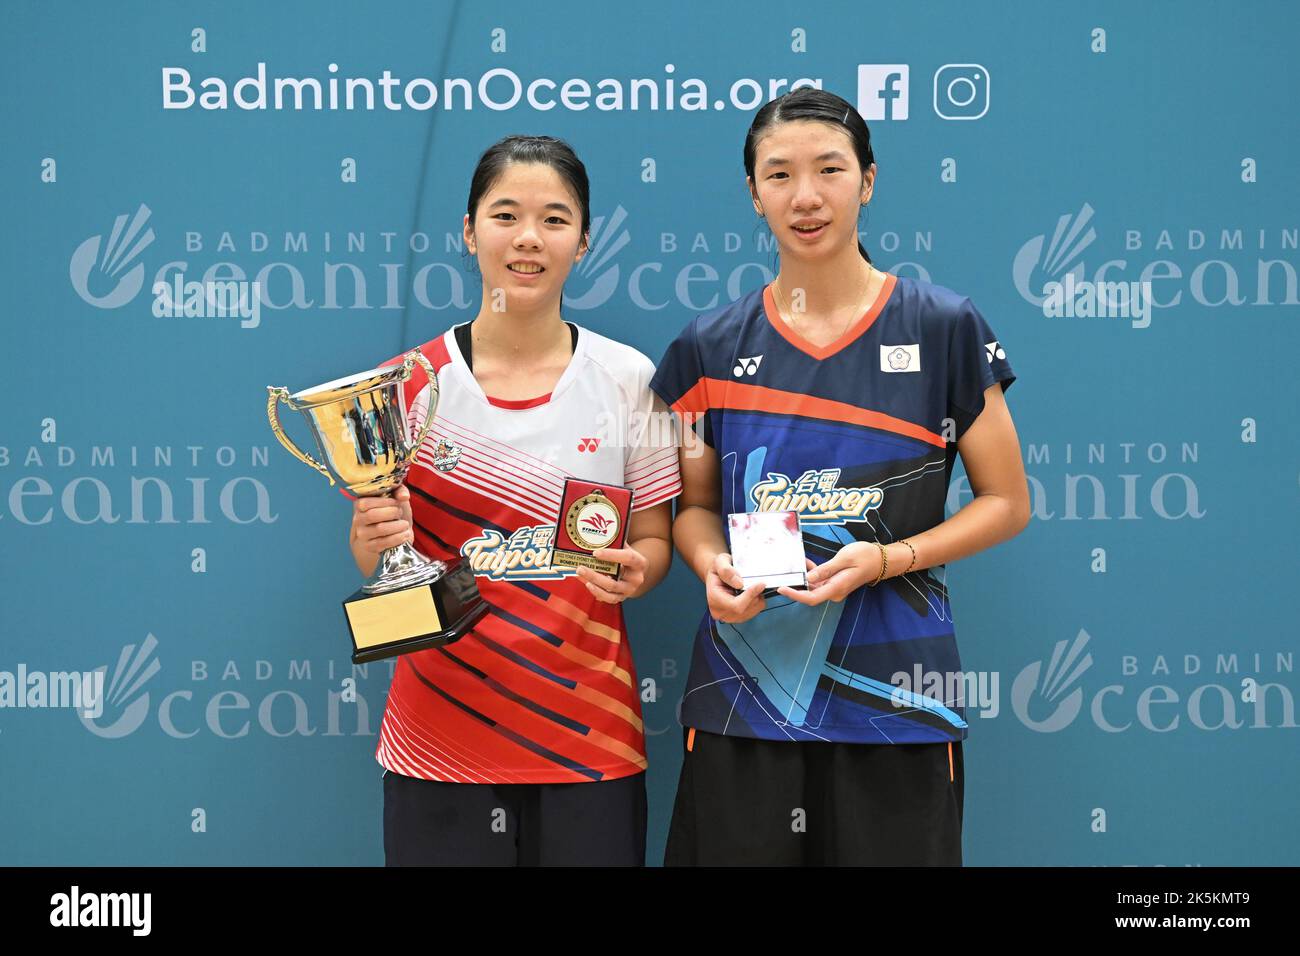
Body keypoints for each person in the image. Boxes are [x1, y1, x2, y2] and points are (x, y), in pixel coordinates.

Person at [650, 88, 1030, 866]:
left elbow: (1007, 502)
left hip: (898, 701)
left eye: (830, 169)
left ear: (868, 180)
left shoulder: (943, 327)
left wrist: (888, 559)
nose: (807, 196)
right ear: (753, 193)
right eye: (779, 174)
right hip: (742, 700)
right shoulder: (709, 345)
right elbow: (692, 508)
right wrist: (707, 563)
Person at [350, 135, 681, 866]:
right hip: (438, 740)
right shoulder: (402, 385)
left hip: (588, 738)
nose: (529, 238)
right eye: (506, 215)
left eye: (555, 219)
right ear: (469, 231)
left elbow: (656, 540)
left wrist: (642, 568)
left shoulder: (628, 379)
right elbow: (377, 554)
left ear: (585, 240)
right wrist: (373, 540)